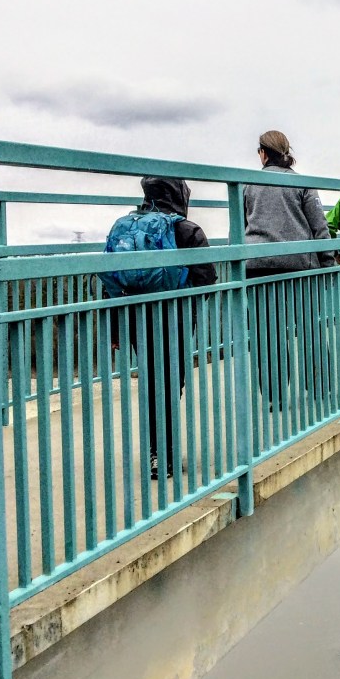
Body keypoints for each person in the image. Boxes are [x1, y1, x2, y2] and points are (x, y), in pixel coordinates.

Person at [110, 176, 217, 480]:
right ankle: (166, 454)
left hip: (135, 317)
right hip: (176, 318)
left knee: (151, 381)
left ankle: (157, 451)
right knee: (171, 384)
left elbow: (113, 280)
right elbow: (206, 280)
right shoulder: (187, 230)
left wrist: (118, 329)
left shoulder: (127, 228)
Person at [244, 130, 335, 410]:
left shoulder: (249, 184)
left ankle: (274, 397)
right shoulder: (302, 184)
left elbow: (239, 226)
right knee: (310, 328)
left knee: (266, 333)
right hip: (299, 267)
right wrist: (328, 262)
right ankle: (320, 388)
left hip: (258, 265)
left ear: (262, 153)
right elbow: (319, 227)